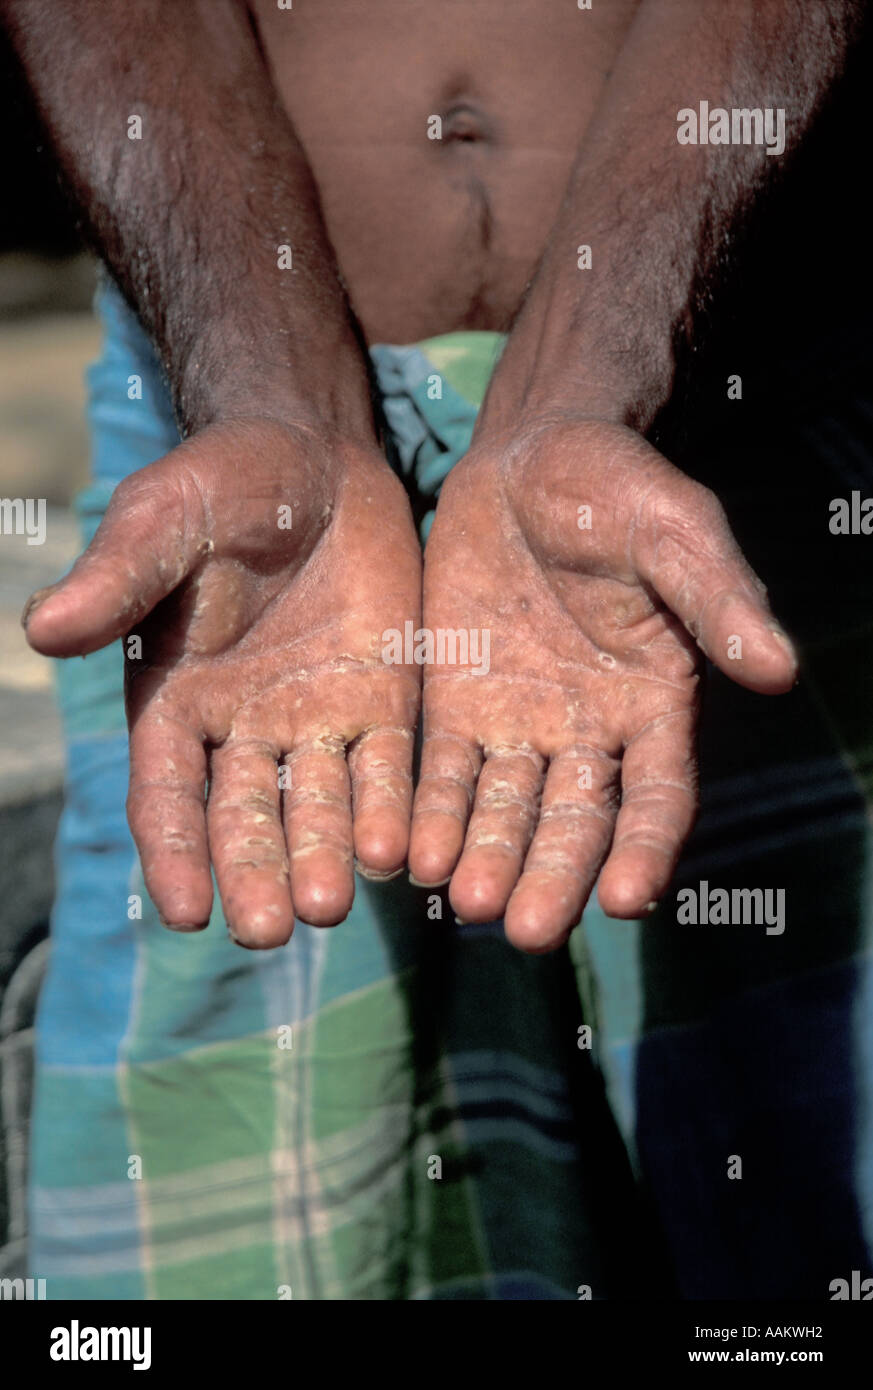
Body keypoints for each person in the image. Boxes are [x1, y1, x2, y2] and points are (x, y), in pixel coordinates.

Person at [4, 0, 872, 1298]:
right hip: (234, 456)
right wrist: (275, 394)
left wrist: (578, 388)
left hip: (750, 398)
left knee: (802, 1170)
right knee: (225, 1216)